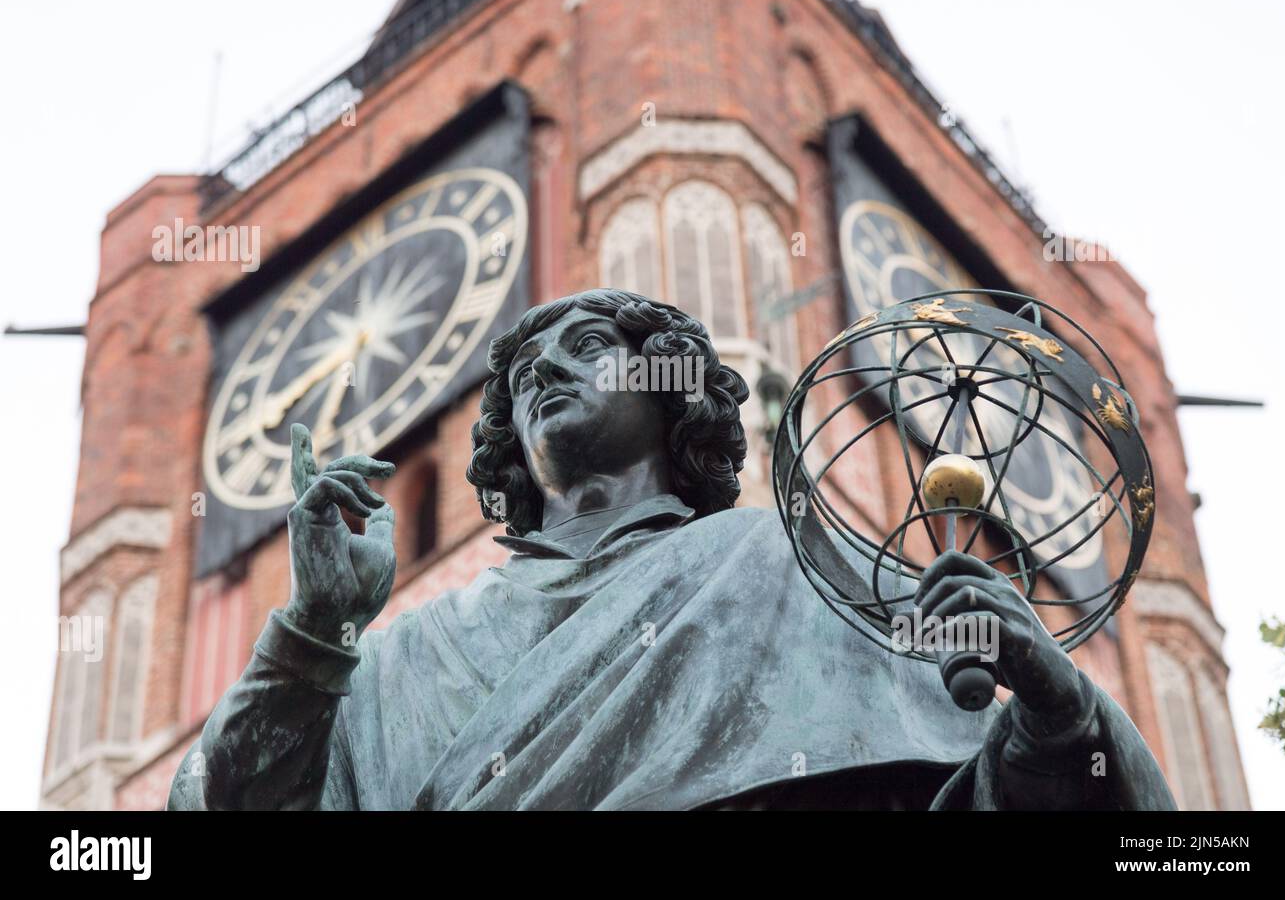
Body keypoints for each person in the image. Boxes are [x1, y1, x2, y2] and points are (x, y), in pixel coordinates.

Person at [168, 289, 1174, 809]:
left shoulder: (781, 565)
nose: (545, 370)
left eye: (587, 346)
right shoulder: (386, 659)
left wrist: (1055, 717)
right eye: (522, 375)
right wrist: (311, 632)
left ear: (672, 391)